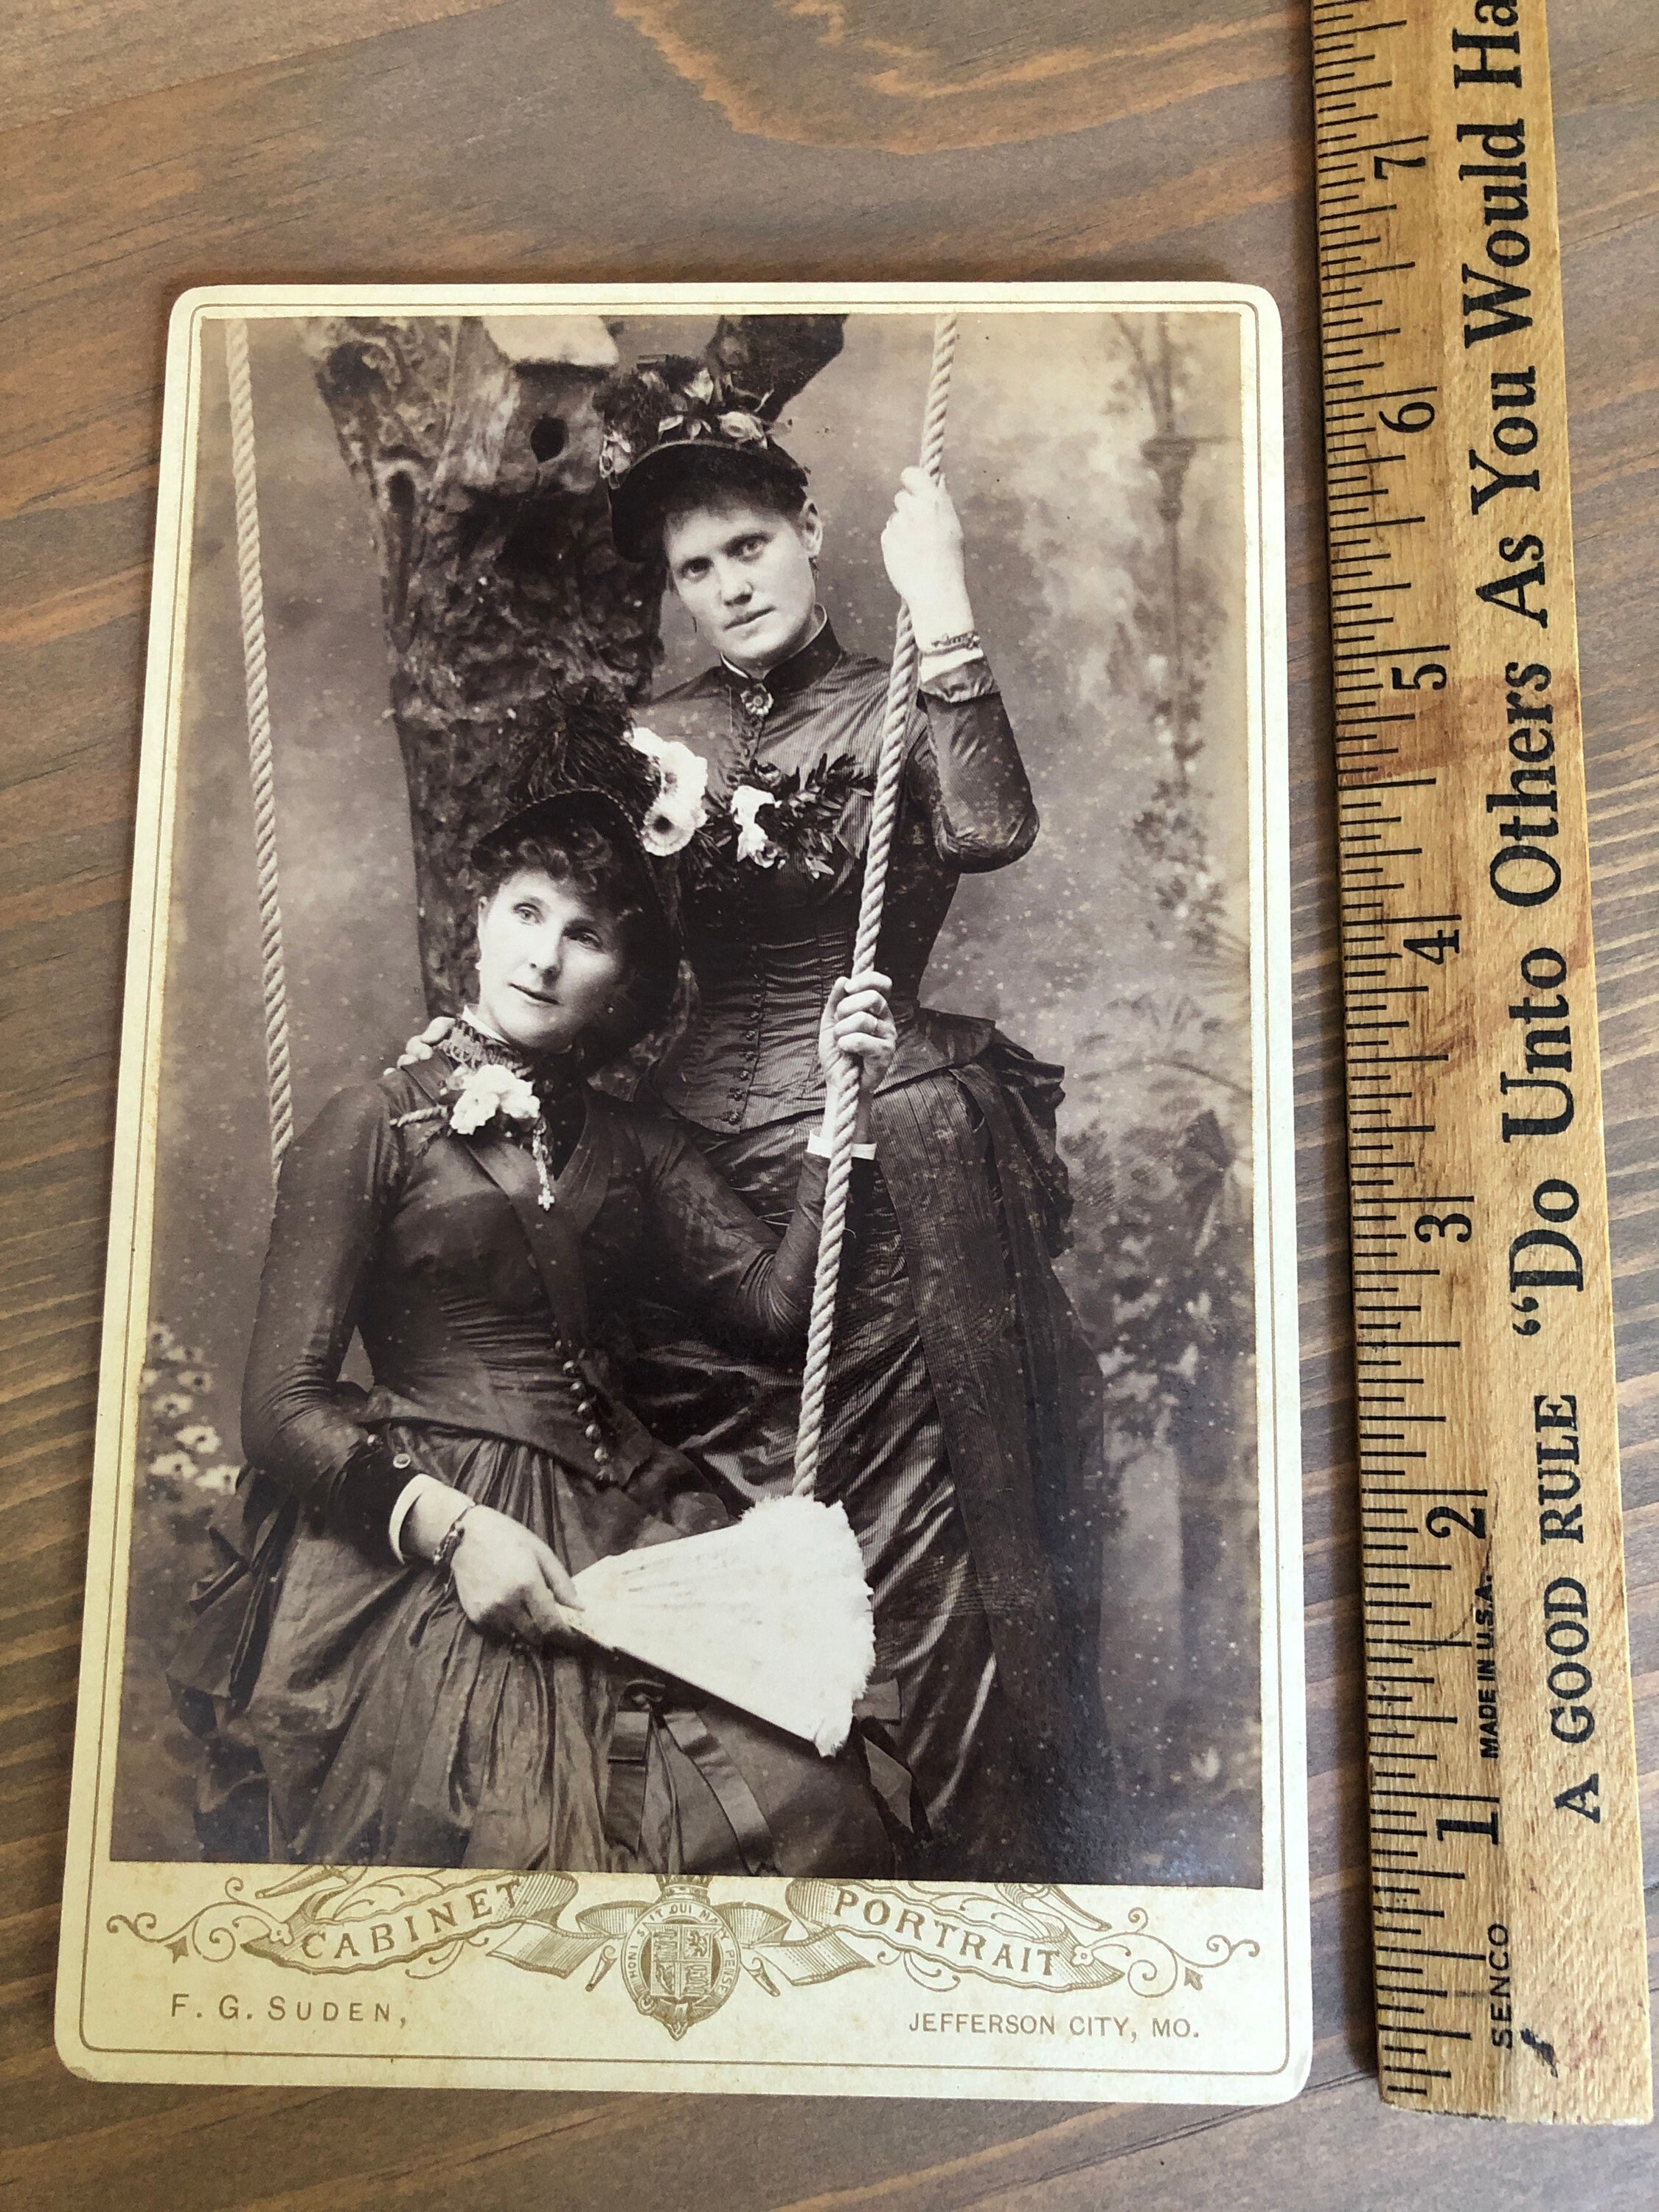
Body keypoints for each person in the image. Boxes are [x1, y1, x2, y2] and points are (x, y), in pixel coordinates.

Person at [171, 789, 902, 1875]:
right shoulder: (375, 1121)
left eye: (584, 935)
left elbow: (776, 1311)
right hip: (433, 1534)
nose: (544, 958)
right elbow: (280, 1408)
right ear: (479, 918)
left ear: (620, 975)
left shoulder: (632, 1140)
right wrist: (454, 1533)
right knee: (514, 1840)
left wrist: (847, 1116)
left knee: (813, 1803)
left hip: (631, 1525)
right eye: (525, 913)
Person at [597, 357, 1110, 1876]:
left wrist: (939, 599)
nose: (724, 586)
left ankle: (945, 1868)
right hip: (695, 1182)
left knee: (910, 1538)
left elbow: (992, 826)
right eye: (693, 569)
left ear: (808, 529)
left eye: (746, 546)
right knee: (719, 1533)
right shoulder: (650, 734)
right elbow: (613, 971)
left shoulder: (893, 700)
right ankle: (777, 1866)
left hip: (877, 1158)